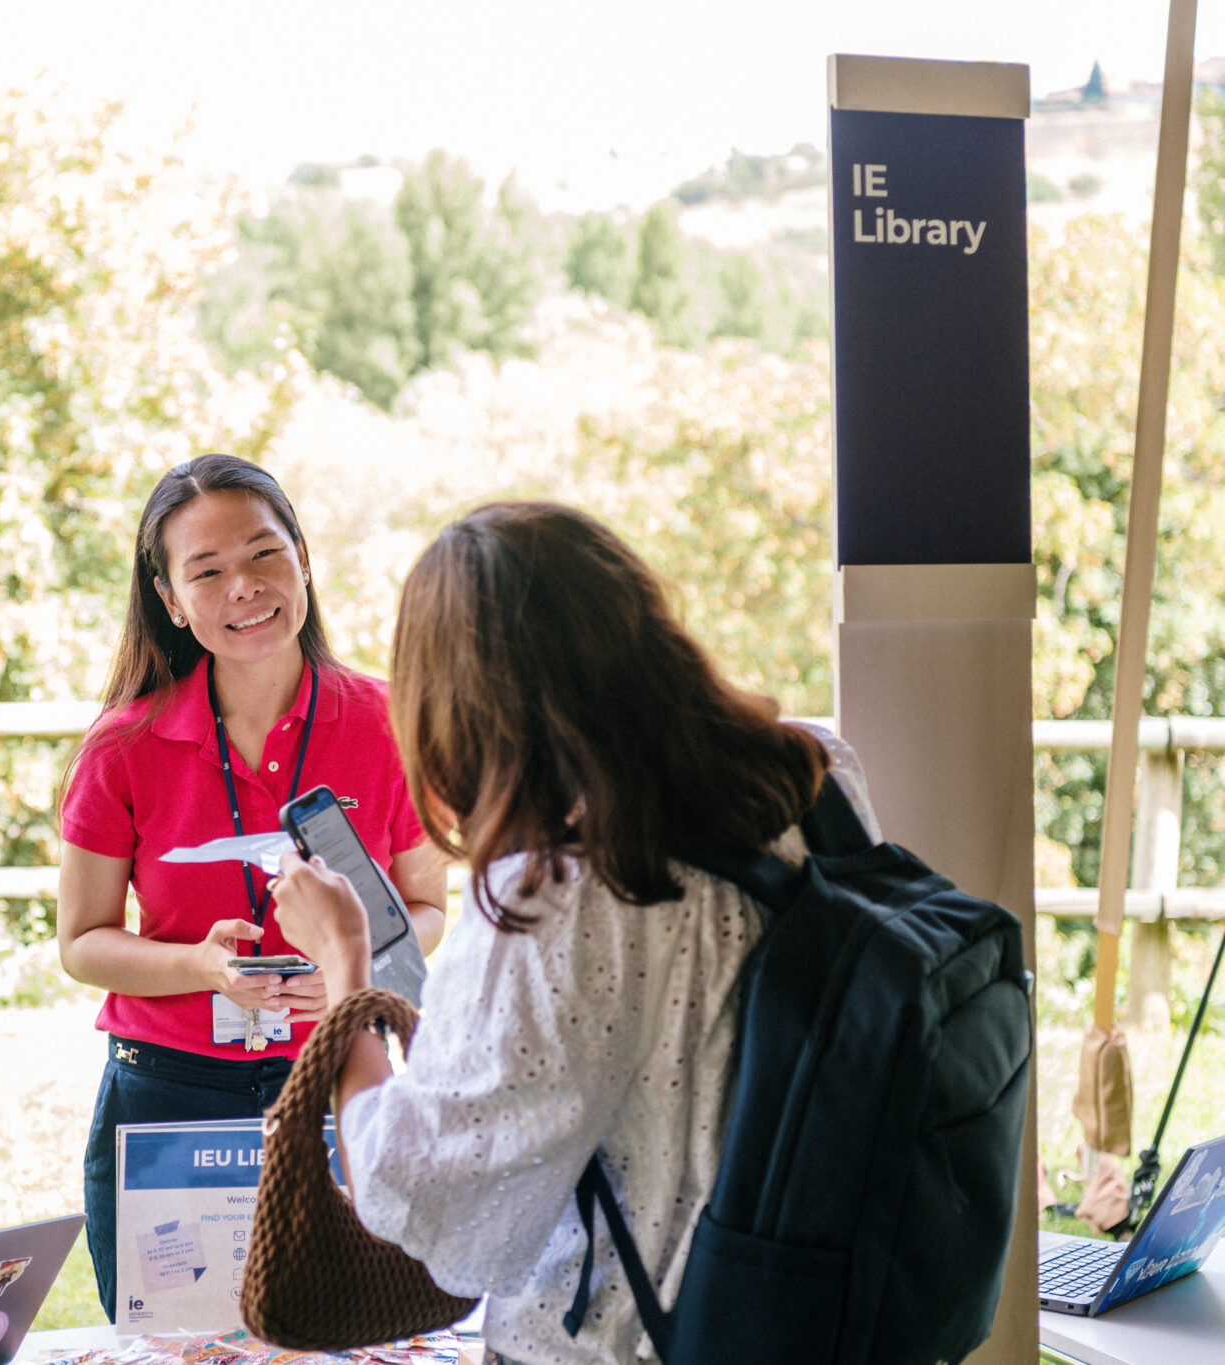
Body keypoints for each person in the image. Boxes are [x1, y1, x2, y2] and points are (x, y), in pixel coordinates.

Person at [270, 501, 881, 1365]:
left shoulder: (551, 892)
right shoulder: (815, 773)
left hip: (632, 1343)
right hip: (820, 1318)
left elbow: (419, 1197)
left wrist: (345, 957)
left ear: (458, 700)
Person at [56, 454, 447, 1320]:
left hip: (339, 1075)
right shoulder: (122, 746)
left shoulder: (392, 722)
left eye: (265, 554)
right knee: (176, 1340)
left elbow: (425, 911)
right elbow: (82, 942)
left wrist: (348, 967)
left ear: (302, 557)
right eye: (207, 571)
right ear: (170, 599)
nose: (244, 586)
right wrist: (201, 967)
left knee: (350, 1329)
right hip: (167, 1095)